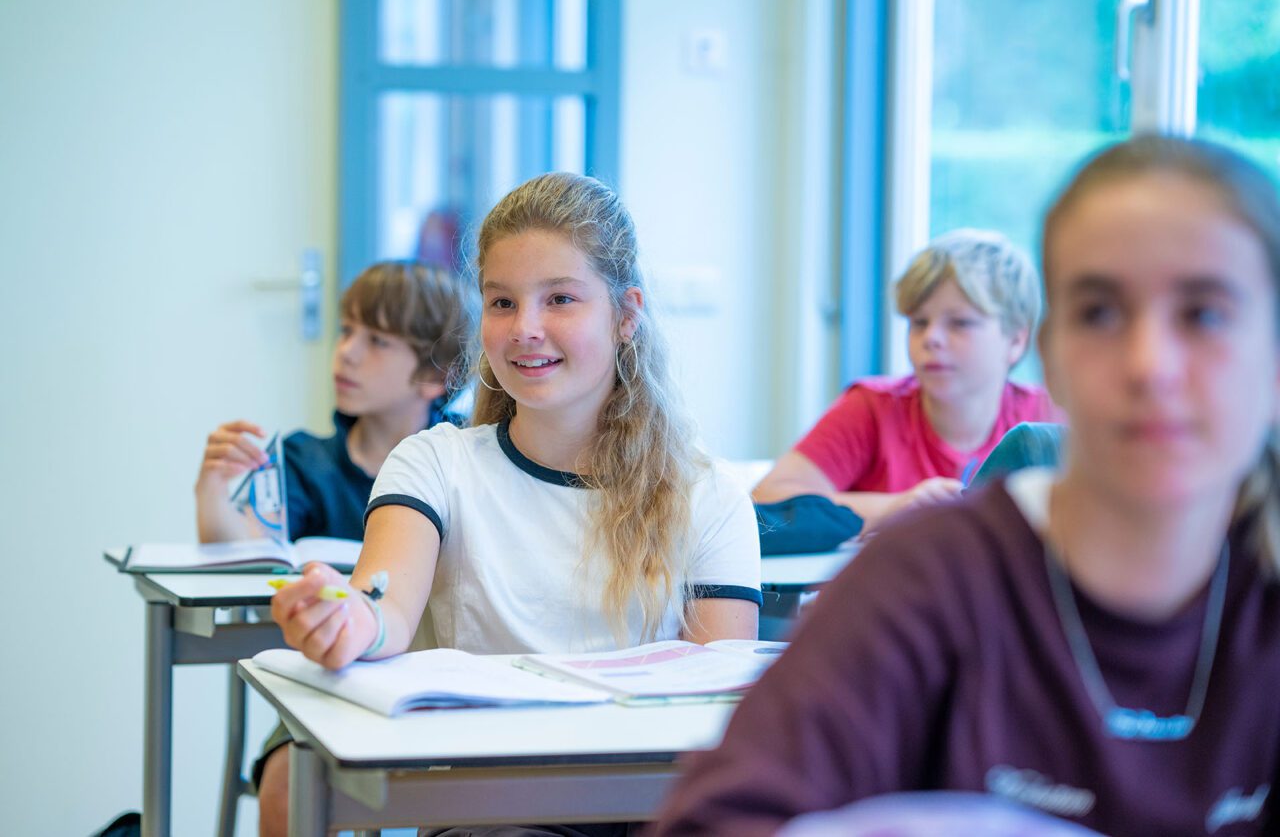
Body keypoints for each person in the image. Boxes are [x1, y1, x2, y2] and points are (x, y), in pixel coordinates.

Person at [651, 135, 1280, 836]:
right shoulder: (926, 574)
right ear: (1051, 357)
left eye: (1205, 315)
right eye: (1099, 313)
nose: (1149, 366)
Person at [272, 172, 762, 835]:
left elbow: (714, 714)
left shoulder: (707, 495)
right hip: (488, 811)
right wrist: (345, 620)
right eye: (502, 303)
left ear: (625, 314)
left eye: (559, 298)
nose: (525, 328)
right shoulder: (433, 464)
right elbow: (383, 604)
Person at [194, 260, 470, 837]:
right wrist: (213, 491)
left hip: (442, 693)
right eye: (345, 331)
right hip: (331, 689)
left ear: (432, 376)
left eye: (376, 340)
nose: (344, 353)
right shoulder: (307, 460)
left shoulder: (463, 460)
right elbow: (243, 550)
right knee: (288, 782)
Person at [753, 229, 1058, 533]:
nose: (932, 338)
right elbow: (767, 500)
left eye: (960, 323)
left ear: (1017, 339)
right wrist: (895, 507)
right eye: (919, 323)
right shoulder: (871, 409)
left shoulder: (1049, 418)